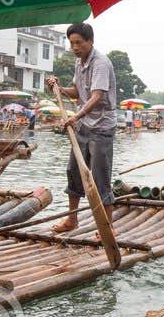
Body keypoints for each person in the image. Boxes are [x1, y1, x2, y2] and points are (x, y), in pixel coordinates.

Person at [46, 21, 116, 234]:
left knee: (99, 177)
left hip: (101, 127)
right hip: (83, 126)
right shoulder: (79, 63)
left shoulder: (101, 62)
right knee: (73, 172)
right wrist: (58, 88)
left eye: (79, 43)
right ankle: (71, 220)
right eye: (72, 43)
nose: (75, 47)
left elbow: (97, 96)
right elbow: (77, 92)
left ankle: (108, 228)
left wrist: (75, 116)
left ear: (90, 41)